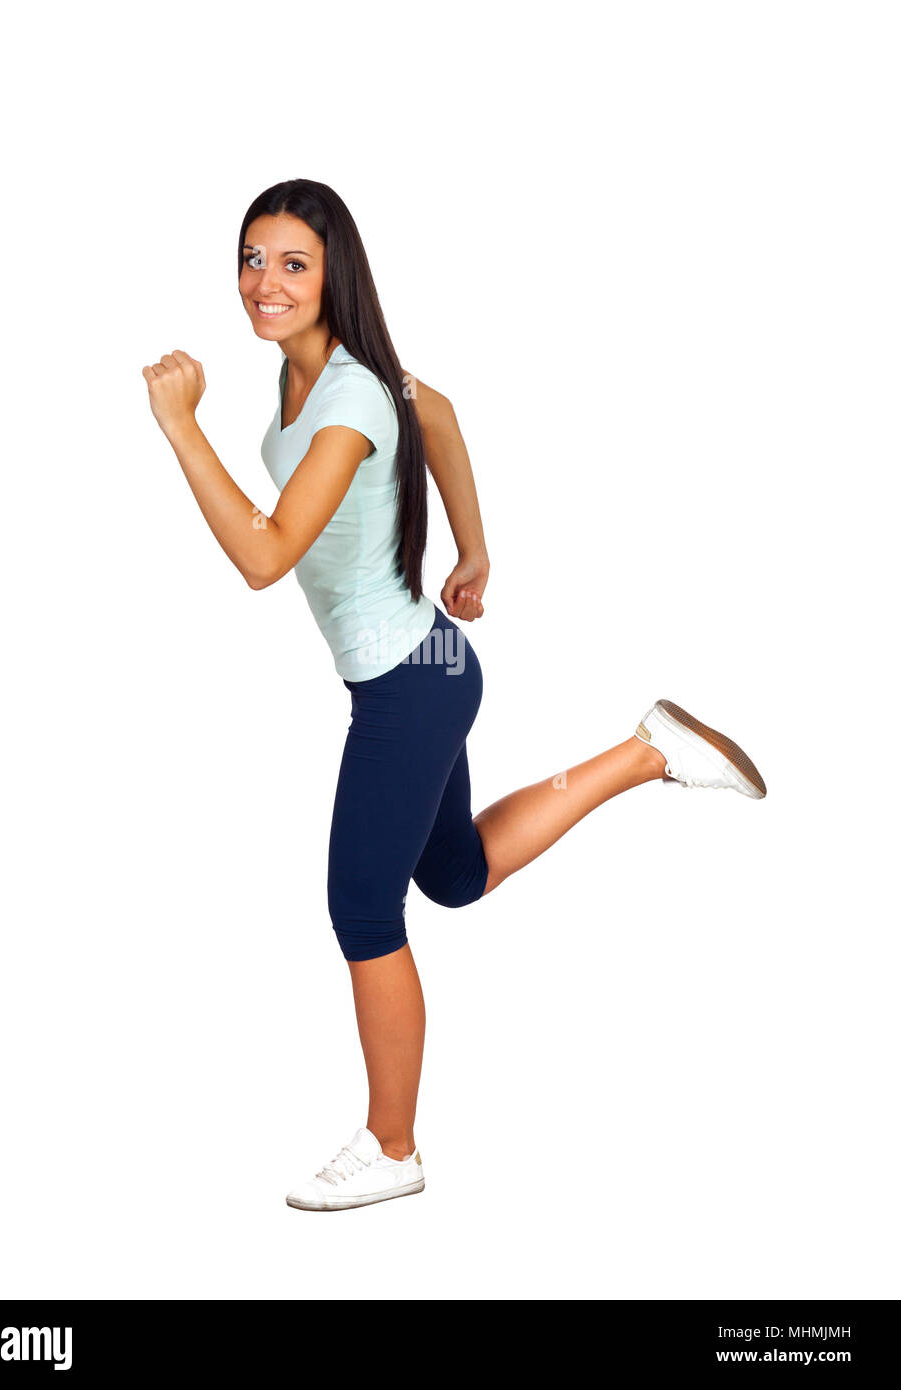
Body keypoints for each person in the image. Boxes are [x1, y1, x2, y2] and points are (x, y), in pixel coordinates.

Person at [142, 179, 767, 1214]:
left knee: (360, 907)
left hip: (409, 688)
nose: (265, 283)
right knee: (455, 872)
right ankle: (645, 749)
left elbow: (263, 555)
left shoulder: (340, 400)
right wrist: (473, 546)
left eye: (292, 263)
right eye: (252, 259)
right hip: (428, 664)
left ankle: (393, 1147)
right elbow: (434, 411)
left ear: (333, 271)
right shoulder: (335, 378)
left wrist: (178, 427)